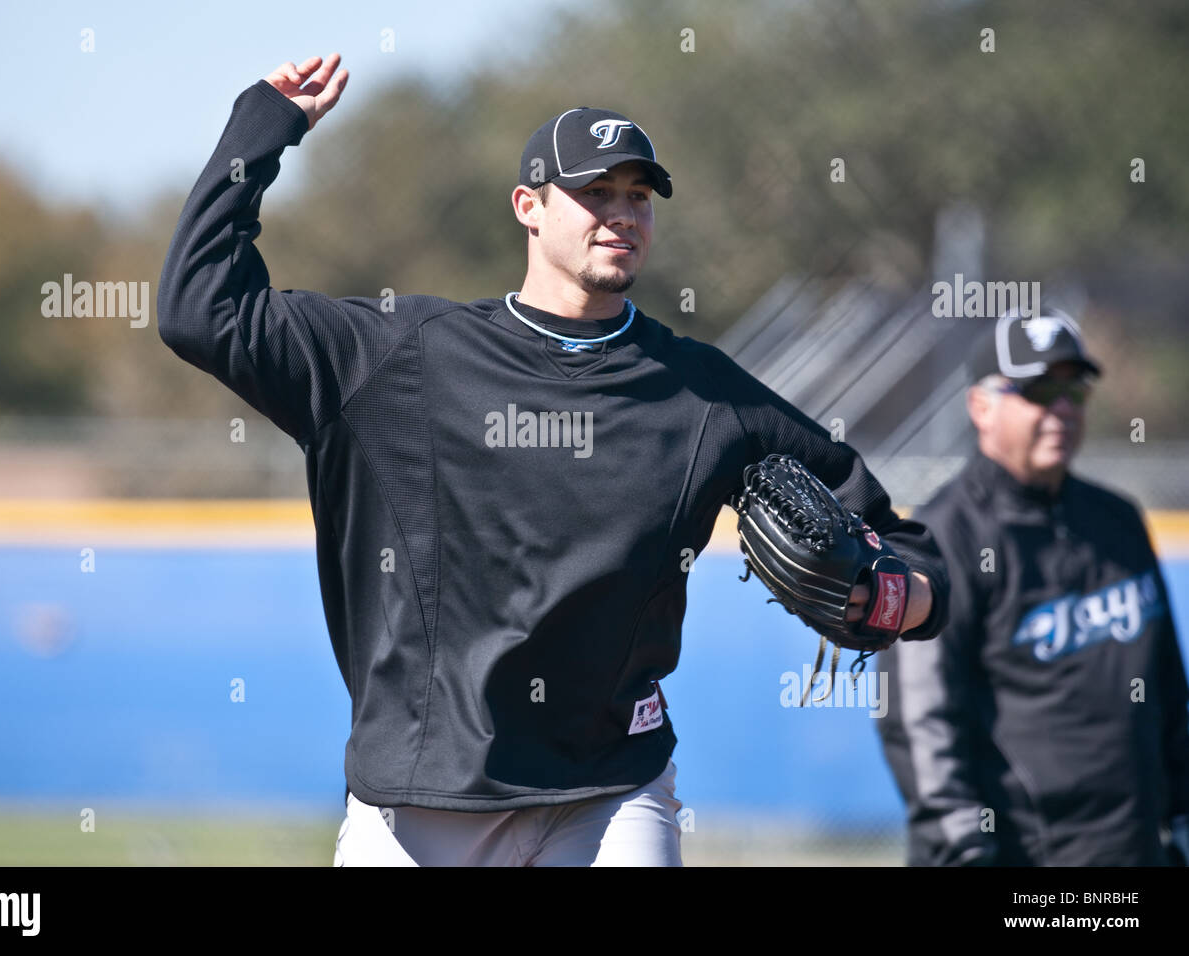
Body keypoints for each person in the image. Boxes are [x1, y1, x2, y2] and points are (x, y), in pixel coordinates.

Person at [157, 54, 949, 866]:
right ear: (528, 207)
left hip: (611, 793)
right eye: (595, 192)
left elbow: (900, 543)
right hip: (421, 798)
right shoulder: (397, 359)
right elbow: (200, 310)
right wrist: (262, 128)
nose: (622, 214)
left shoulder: (703, 394)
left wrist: (901, 598)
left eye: (638, 196)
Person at [876, 309, 1189, 866]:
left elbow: (1166, 687)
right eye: (1038, 389)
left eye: (1075, 388)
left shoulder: (1117, 522)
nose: (1063, 408)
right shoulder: (942, 538)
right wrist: (965, 846)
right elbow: (922, 719)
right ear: (981, 406)